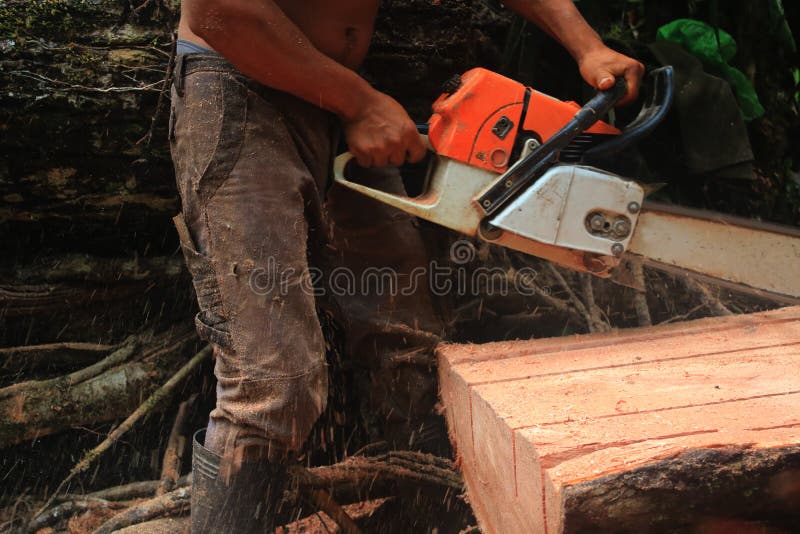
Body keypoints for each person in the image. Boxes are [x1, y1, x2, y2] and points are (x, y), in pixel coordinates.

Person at [170, 1, 644, 532]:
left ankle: (431, 519)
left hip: (340, 97)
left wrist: (588, 46)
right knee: (275, 384)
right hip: (243, 87)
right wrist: (360, 104)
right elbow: (218, 10)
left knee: (409, 346)